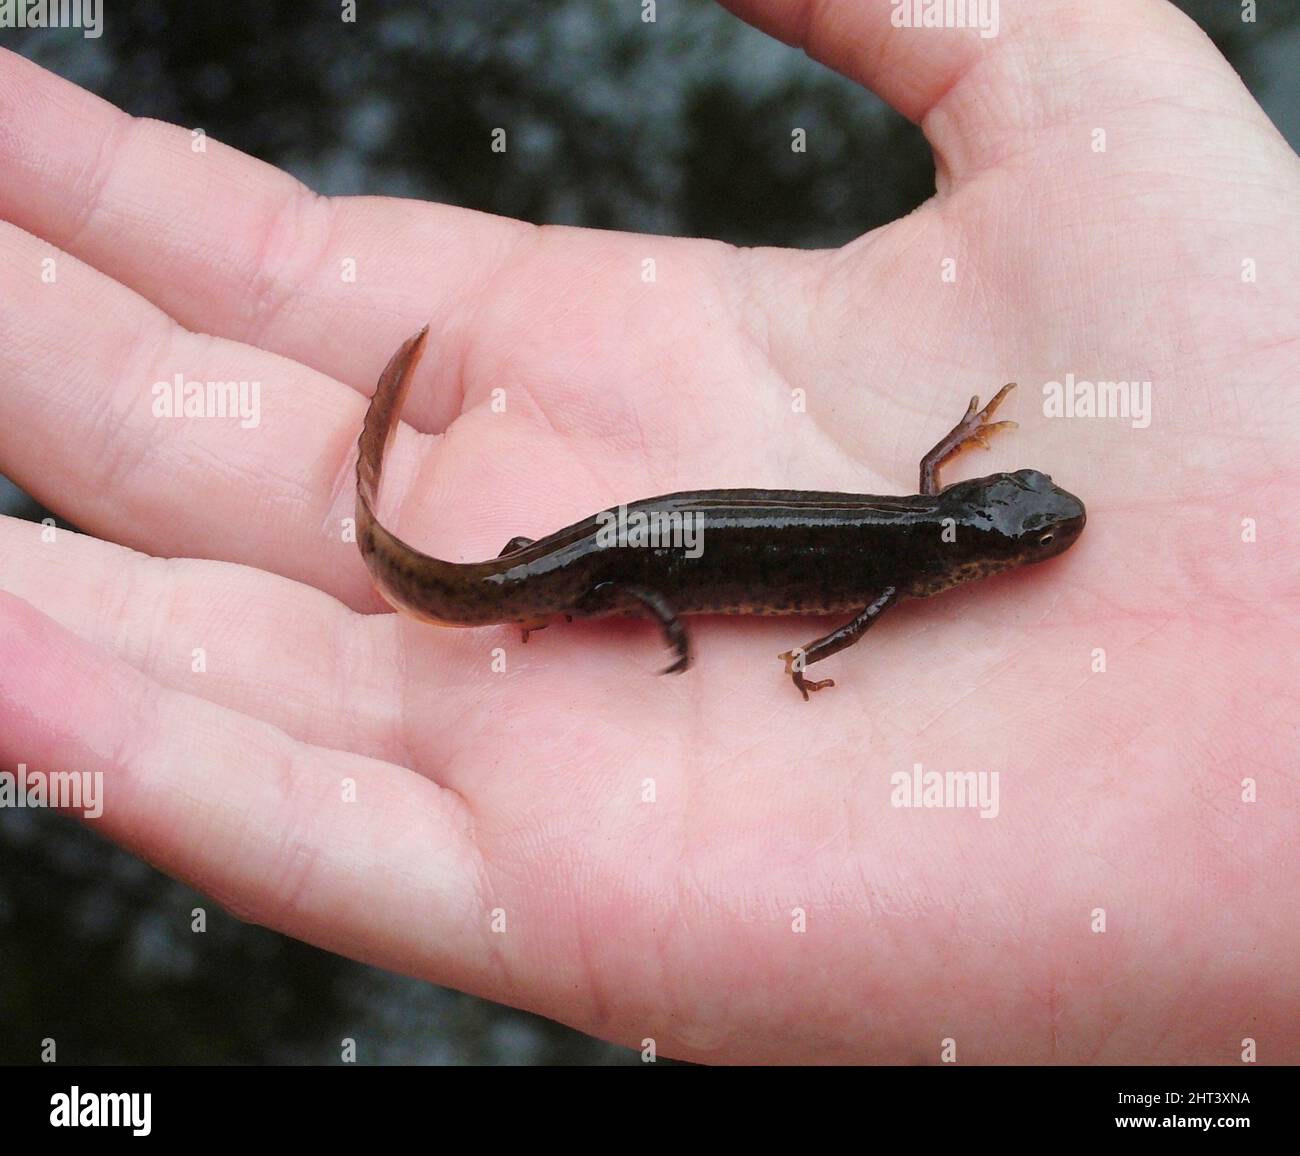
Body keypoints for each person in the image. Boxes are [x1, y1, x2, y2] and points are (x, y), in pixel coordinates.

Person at [0, 0, 1295, 1063]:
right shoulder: (908, 561)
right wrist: (776, 647)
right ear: (968, 537)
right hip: (626, 561)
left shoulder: (917, 537)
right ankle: (511, 578)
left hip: (626, 545)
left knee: (587, 567)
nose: (1034, 537)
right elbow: (853, 610)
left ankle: (515, 574)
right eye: (1021, 536)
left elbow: (889, 544)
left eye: (1024, 535)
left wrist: (836, 603)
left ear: (974, 532)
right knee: (596, 578)